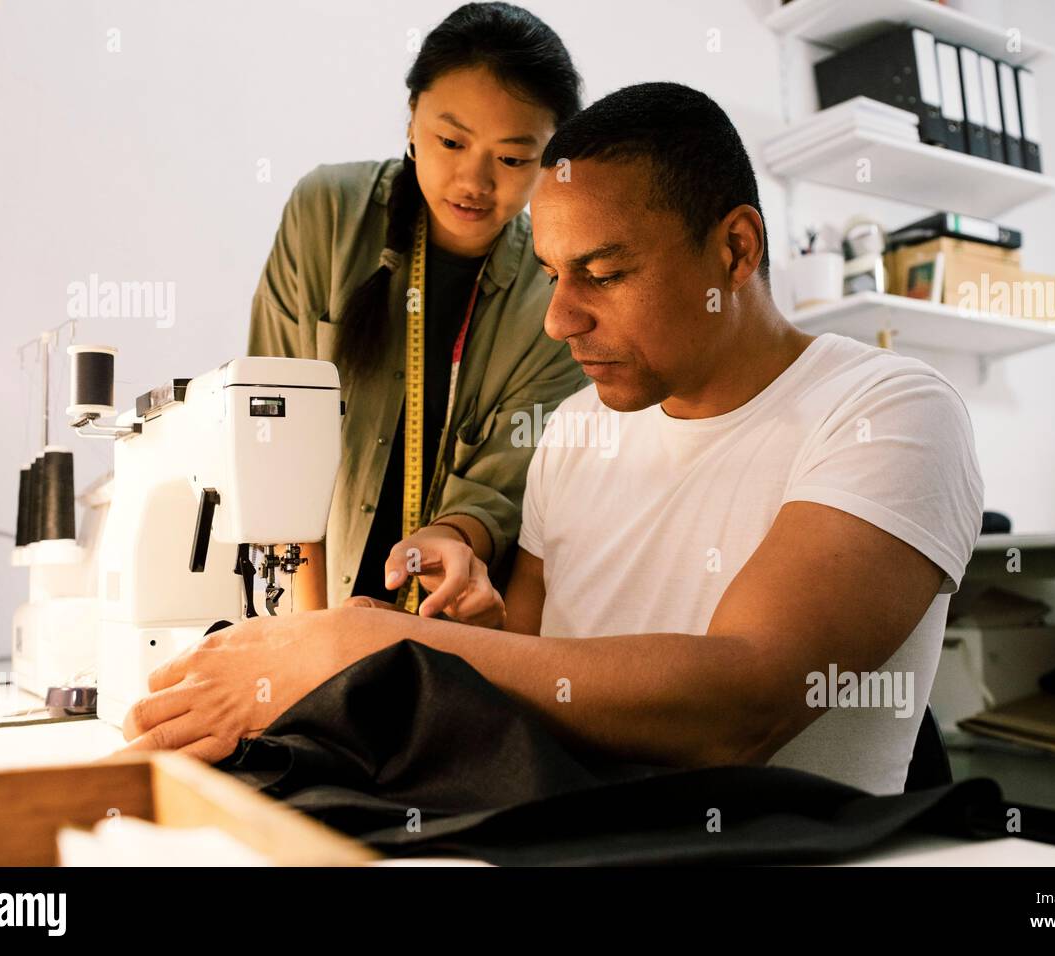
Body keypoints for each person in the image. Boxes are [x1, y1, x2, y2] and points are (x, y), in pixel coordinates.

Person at [128, 82, 984, 796]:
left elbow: (740, 706)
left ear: (736, 249)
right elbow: (536, 688)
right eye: (549, 274)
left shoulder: (889, 410)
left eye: (603, 275)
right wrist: (477, 625)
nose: (558, 318)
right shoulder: (577, 430)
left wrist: (380, 642)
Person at [248, 2, 587, 622]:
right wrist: (309, 635)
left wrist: (452, 540)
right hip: (305, 601)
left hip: (448, 620)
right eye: (451, 141)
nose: (473, 180)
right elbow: (273, 422)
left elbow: (501, 485)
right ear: (411, 122)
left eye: (512, 158)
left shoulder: (556, 298)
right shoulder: (325, 213)